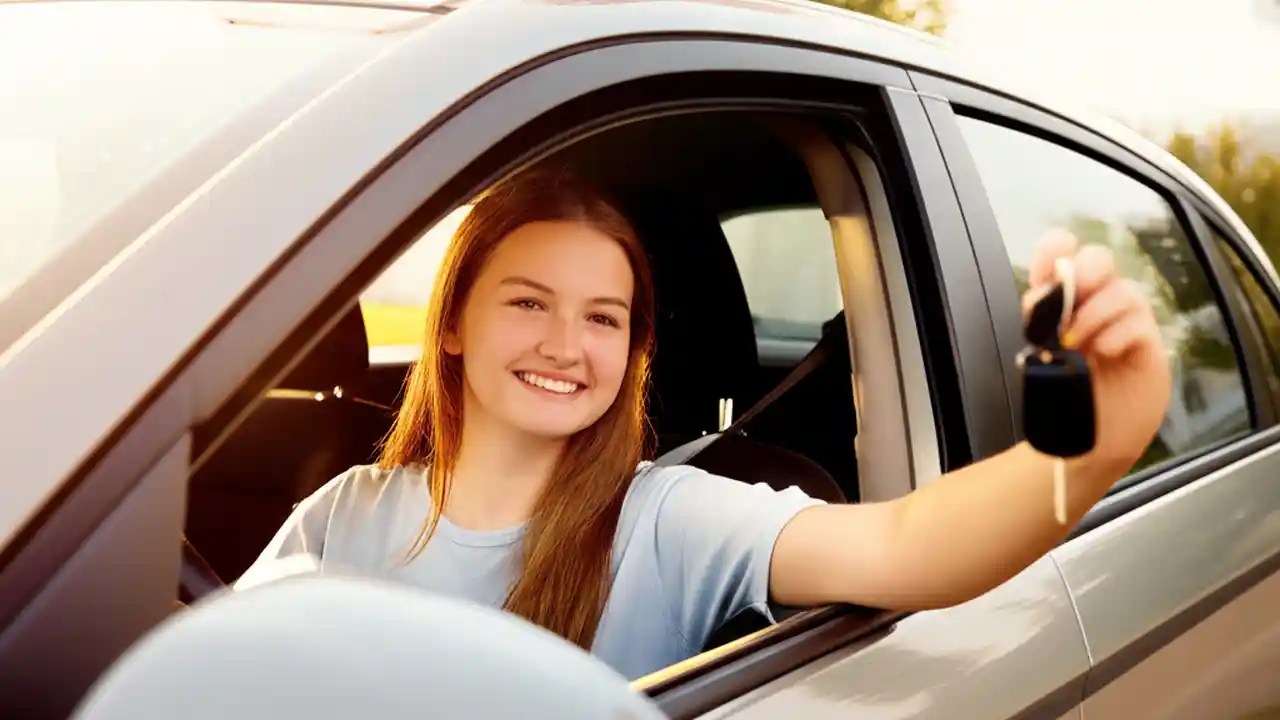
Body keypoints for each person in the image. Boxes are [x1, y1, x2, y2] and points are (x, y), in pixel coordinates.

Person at [235, 168, 1171, 680]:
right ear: (451, 324)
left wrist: (1094, 451)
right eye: (528, 303)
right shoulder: (343, 514)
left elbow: (904, 544)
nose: (566, 343)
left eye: (603, 318)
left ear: (634, 351)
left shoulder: (665, 519)